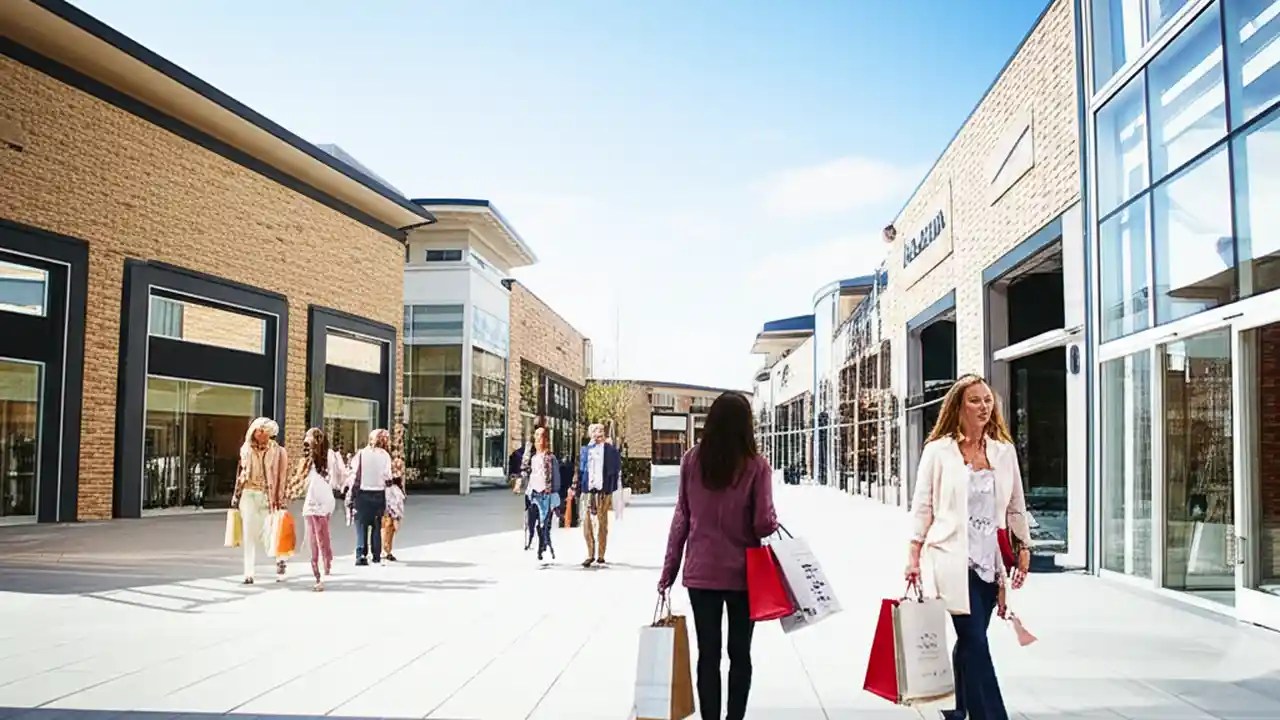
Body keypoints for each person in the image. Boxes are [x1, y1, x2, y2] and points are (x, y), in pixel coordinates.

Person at [905, 374, 1031, 720]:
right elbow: (923, 506)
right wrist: (913, 555)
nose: (984, 407)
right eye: (974, 400)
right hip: (951, 561)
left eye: (988, 400)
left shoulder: (1004, 452)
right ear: (958, 407)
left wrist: (1024, 548)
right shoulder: (938, 451)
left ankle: (957, 711)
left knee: (971, 643)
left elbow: (1015, 505)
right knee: (974, 638)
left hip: (990, 565)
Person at [658, 392, 777, 720]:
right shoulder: (757, 465)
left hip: (702, 573)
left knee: (707, 654)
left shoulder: (692, 460)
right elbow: (763, 524)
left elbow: (681, 517)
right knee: (740, 654)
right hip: (743, 577)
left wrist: (668, 572)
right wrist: (773, 518)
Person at [230, 417, 288, 585]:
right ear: (253, 432)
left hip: (267, 495)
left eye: (264, 430)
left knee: (271, 532)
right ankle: (248, 573)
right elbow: (240, 472)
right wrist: (236, 494)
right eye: (258, 430)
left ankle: (280, 560)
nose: (261, 434)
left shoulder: (278, 451)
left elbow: (282, 478)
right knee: (249, 533)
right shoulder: (245, 449)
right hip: (249, 493)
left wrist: (281, 498)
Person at [299, 427, 340, 591]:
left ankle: (323, 566)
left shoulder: (327, 456)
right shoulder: (311, 458)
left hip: (320, 499)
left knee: (317, 537)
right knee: (318, 536)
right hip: (318, 499)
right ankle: (321, 567)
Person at [576, 423, 621, 567]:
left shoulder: (610, 450)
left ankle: (601, 554)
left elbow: (616, 468)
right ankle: (590, 554)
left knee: (602, 523)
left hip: (603, 491)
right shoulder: (585, 450)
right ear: (590, 434)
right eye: (595, 431)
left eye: (601, 431)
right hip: (588, 490)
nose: (599, 433)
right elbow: (581, 469)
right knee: (587, 523)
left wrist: (611, 488)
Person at [514, 426, 561, 561]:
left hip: (545, 495)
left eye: (541, 437)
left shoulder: (550, 458)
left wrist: (555, 494)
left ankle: (542, 546)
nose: (538, 440)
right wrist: (519, 483)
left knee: (543, 523)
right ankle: (533, 541)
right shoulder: (532, 457)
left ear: (546, 440)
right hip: (533, 493)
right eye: (536, 437)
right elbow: (524, 471)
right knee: (531, 520)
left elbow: (556, 478)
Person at [347, 429, 394, 566]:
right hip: (379, 493)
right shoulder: (385, 455)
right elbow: (388, 476)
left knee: (361, 525)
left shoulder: (361, 454)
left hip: (363, 493)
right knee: (376, 525)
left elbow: (353, 472)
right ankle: (376, 554)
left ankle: (361, 553)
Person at [383, 474, 406, 562]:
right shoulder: (394, 490)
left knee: (388, 529)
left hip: (387, 508)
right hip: (388, 510)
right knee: (387, 529)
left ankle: (386, 550)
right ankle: (385, 550)